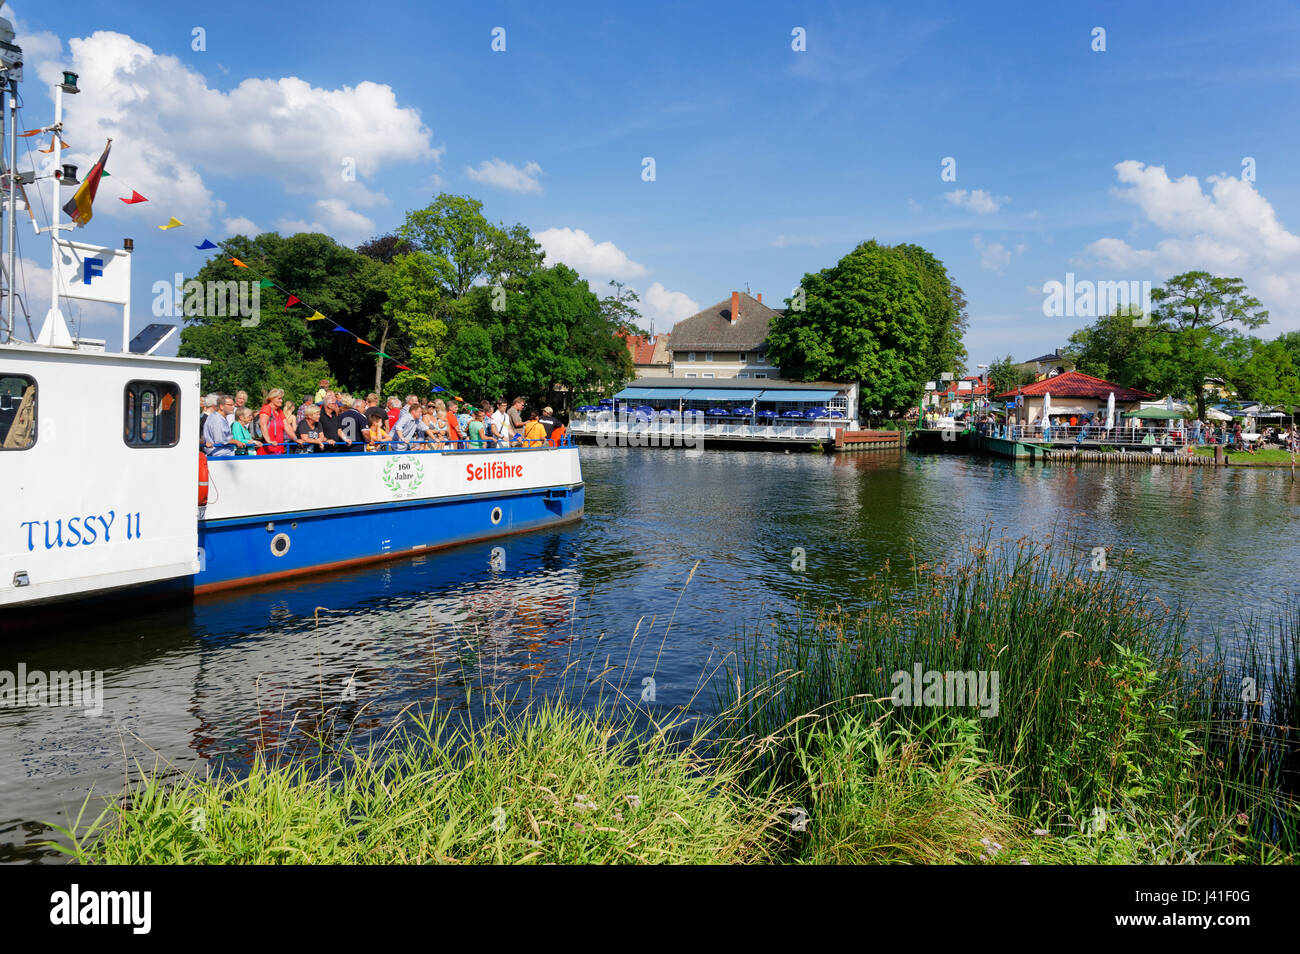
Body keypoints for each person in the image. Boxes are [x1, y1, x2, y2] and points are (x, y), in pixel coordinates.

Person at [258, 388, 287, 455]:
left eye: (281, 398)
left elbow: (287, 426)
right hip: (267, 449)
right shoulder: (266, 408)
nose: (281, 400)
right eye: (279, 398)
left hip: (278, 448)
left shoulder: (279, 411)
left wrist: (295, 438)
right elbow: (263, 424)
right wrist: (268, 440)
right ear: (272, 398)